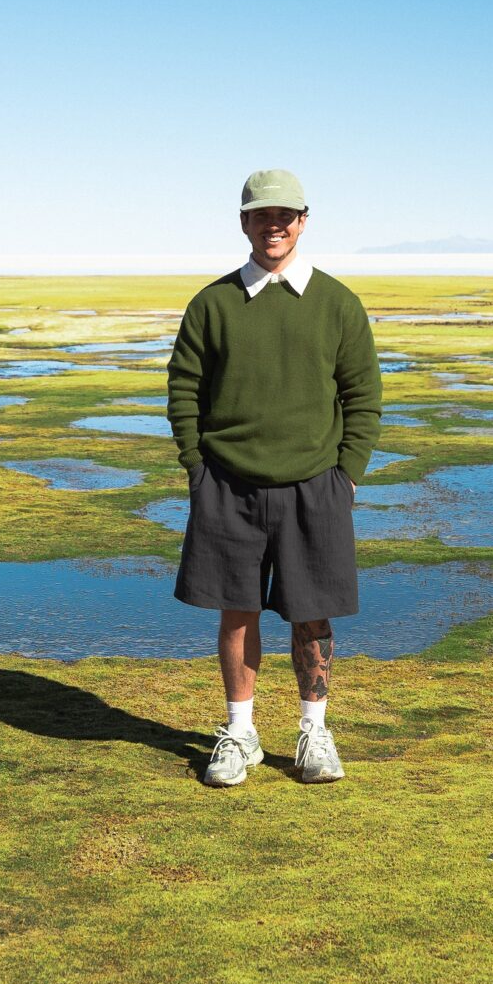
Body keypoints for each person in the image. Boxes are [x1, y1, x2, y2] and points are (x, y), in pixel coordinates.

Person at [165, 168, 383, 787]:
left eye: (286, 215)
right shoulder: (213, 303)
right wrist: (197, 467)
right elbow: (184, 389)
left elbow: (362, 395)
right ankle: (241, 733)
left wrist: (347, 476)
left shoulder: (337, 303)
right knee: (237, 612)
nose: (275, 225)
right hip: (227, 485)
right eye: (263, 215)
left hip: (315, 484)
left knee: (312, 614)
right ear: (244, 223)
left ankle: (314, 733)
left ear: (304, 221)